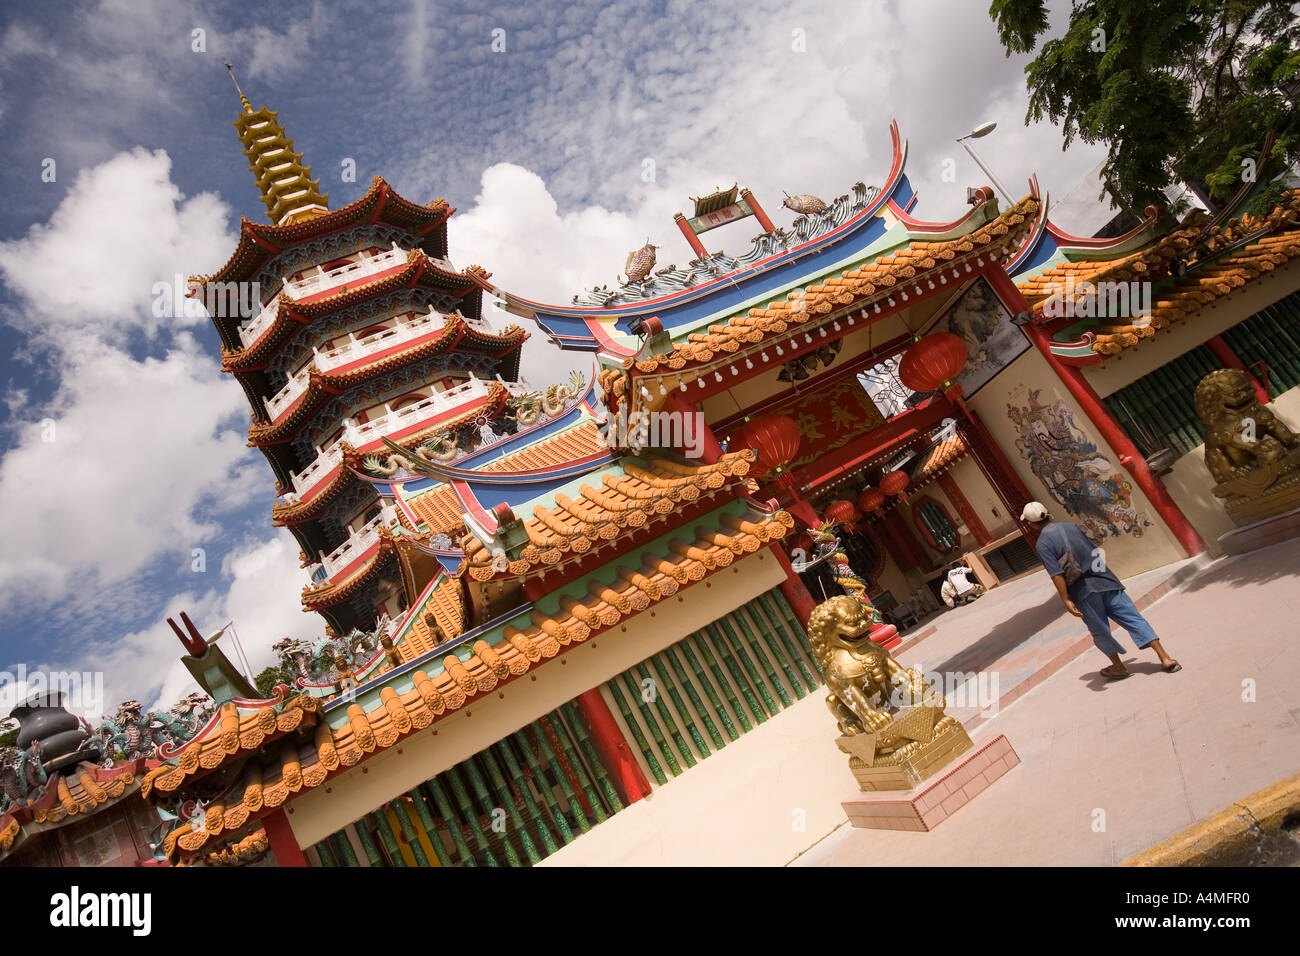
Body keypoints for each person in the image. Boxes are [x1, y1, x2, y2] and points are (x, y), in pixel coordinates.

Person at [1022, 501, 1180, 680]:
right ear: (1048, 513)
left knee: (1100, 631)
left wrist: (1066, 599)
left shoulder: (1042, 544)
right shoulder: (1071, 527)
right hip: (1105, 581)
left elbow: (1057, 574)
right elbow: (1093, 549)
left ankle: (1118, 666)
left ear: (1031, 523)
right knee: (1133, 618)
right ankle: (1165, 657)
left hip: (1083, 591)